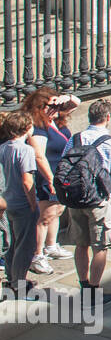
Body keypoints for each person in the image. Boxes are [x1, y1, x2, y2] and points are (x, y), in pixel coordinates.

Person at [66, 99, 111, 304]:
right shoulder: (110, 142)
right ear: (108, 117)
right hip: (98, 201)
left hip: (76, 199)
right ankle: (94, 292)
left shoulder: (75, 138)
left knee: (81, 244)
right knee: (101, 246)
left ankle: (84, 284)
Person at [28, 89, 74, 272]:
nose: (56, 108)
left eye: (57, 105)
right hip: (48, 176)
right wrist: (50, 179)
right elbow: (39, 156)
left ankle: (51, 245)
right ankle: (37, 255)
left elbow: (75, 102)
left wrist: (65, 99)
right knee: (45, 217)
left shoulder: (56, 121)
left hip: (61, 175)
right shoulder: (38, 127)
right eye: (51, 106)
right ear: (40, 107)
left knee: (57, 211)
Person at [1, 110, 40, 299]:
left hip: (7, 202)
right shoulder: (25, 150)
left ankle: (11, 279)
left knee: (12, 244)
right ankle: (19, 284)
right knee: (25, 246)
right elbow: (27, 181)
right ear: (27, 128)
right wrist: (33, 204)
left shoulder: (3, 148)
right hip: (22, 204)